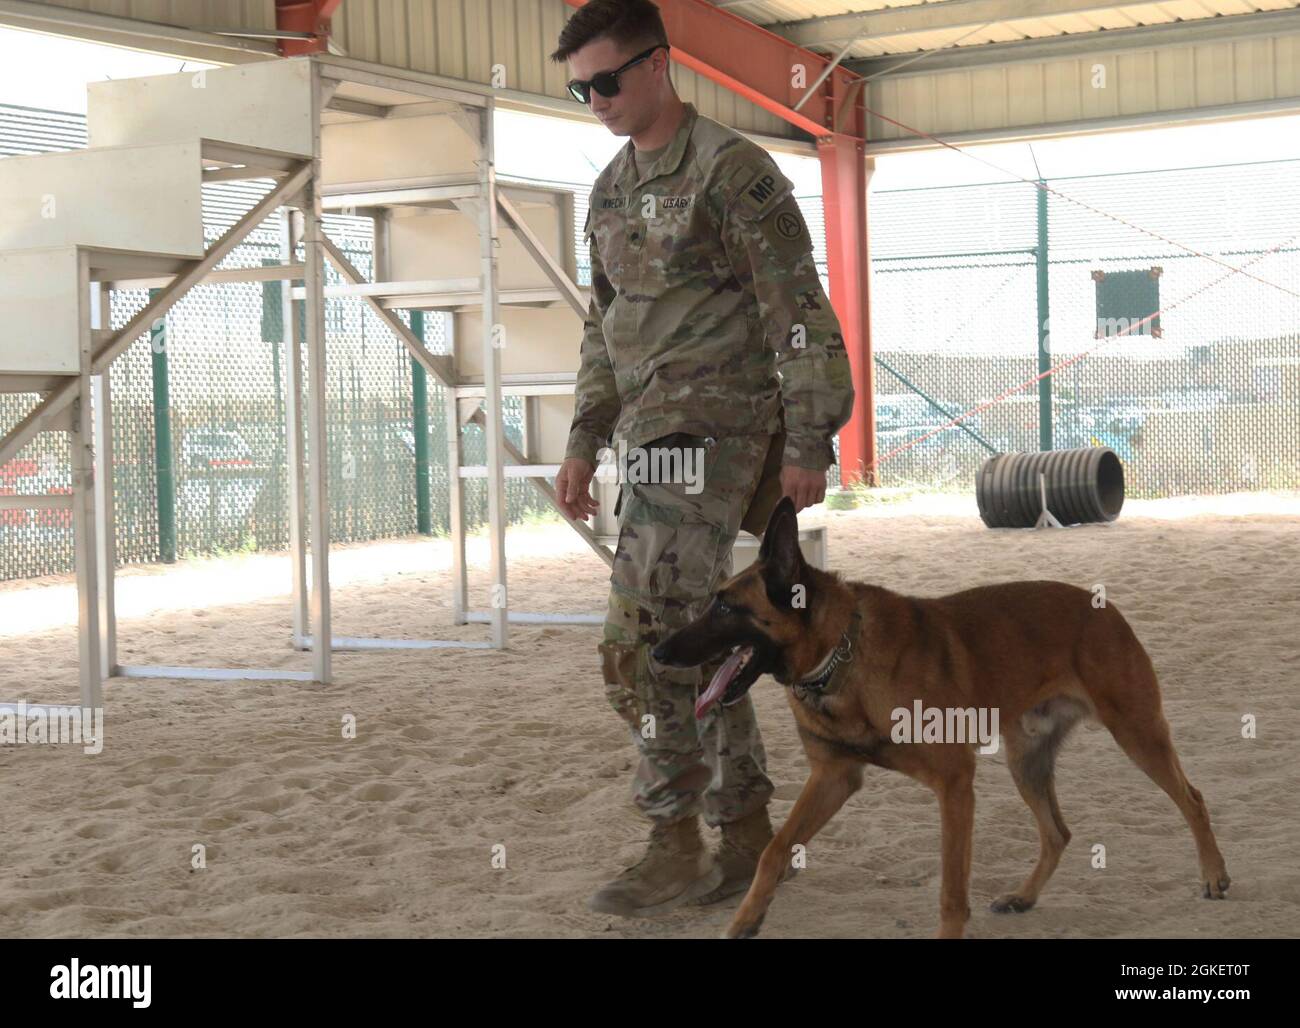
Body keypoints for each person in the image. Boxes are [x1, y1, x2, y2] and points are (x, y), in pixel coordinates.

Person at [549, 0, 854, 917]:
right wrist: (581, 441)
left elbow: (797, 308)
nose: (595, 98)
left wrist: (809, 438)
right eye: (579, 87)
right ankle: (747, 833)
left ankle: (674, 842)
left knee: (635, 647)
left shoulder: (734, 173)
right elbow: (604, 330)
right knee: (692, 644)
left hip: (716, 441)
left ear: (658, 64)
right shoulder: (608, 191)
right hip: (648, 443)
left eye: (607, 79)